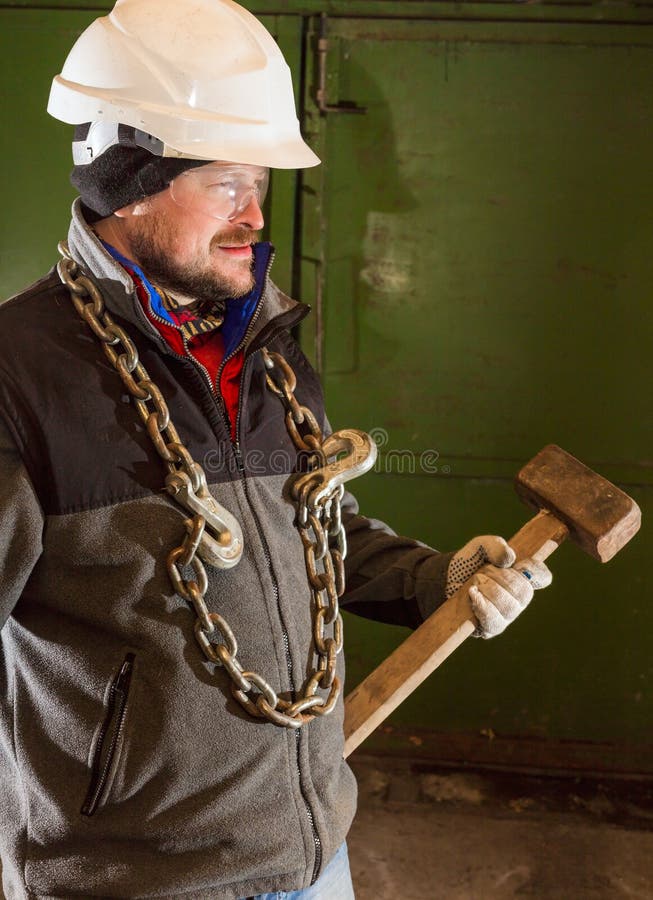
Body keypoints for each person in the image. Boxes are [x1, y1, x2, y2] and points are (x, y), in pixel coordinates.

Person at [0, 1, 552, 897]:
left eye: (259, 182)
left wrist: (437, 581)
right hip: (139, 881)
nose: (255, 215)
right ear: (126, 178)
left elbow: (308, 536)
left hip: (312, 854)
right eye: (226, 182)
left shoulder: (265, 346)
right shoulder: (19, 377)